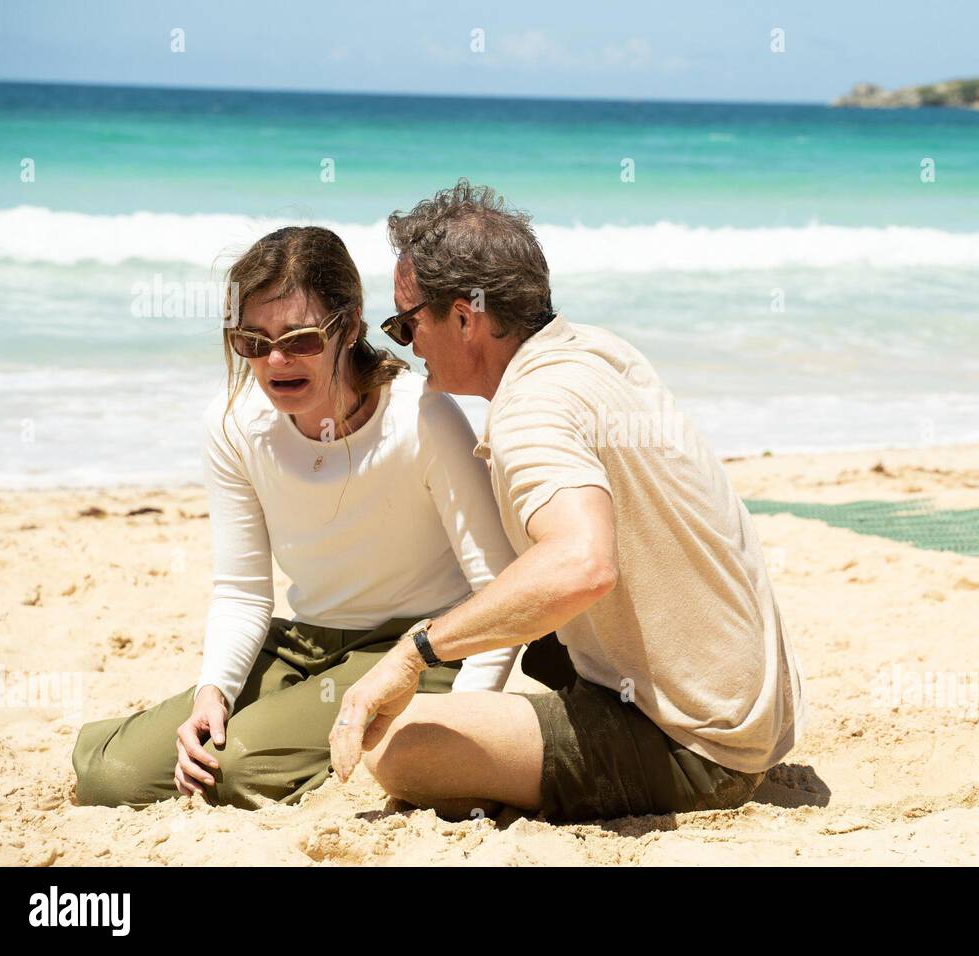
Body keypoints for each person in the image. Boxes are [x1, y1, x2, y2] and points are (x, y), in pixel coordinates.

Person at [329, 181, 805, 822]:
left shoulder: (532, 409)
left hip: (698, 745)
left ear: (465, 319)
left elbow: (582, 564)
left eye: (406, 324)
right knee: (534, 636)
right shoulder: (599, 352)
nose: (405, 347)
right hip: (755, 711)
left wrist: (415, 653)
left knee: (398, 745)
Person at [72, 225, 519, 810]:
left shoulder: (423, 418)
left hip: (415, 652)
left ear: (349, 326)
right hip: (301, 646)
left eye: (300, 339)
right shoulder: (234, 424)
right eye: (252, 342)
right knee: (114, 778)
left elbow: (498, 591)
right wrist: (214, 692)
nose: (275, 360)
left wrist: (465, 720)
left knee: (235, 770)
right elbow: (241, 591)